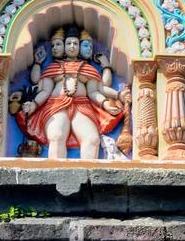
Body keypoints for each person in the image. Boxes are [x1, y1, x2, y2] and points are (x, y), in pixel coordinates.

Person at [21, 25, 122, 160]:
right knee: (56, 136)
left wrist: (105, 103)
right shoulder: (54, 67)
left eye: (75, 43)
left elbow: (93, 92)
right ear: (63, 46)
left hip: (82, 106)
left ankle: (89, 178)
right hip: (56, 105)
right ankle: (55, 174)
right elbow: (45, 90)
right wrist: (34, 105)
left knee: (92, 139)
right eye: (68, 43)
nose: (72, 46)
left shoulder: (87, 68)